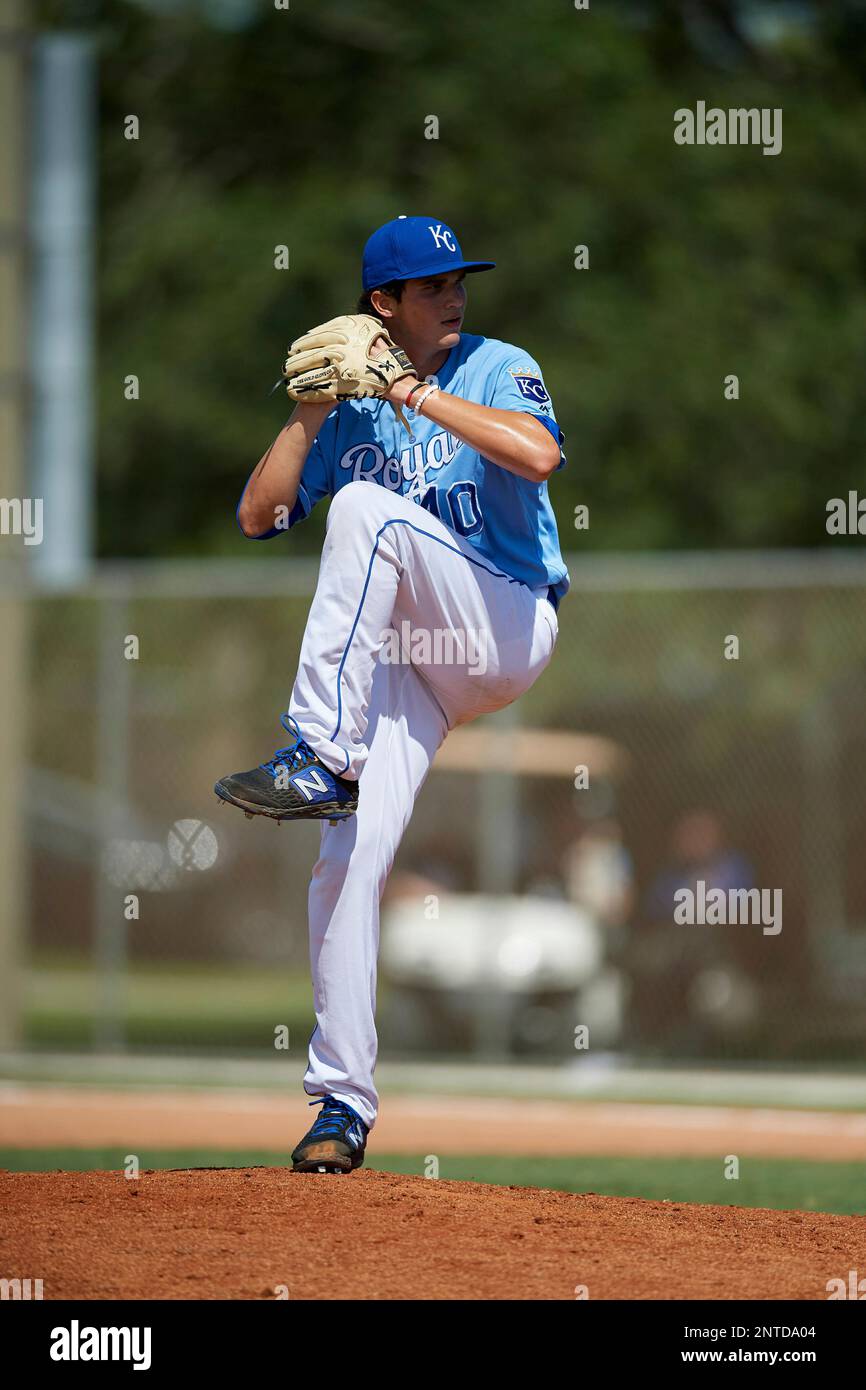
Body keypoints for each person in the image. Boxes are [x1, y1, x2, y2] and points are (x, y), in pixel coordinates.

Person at [215, 215, 569, 1172]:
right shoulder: (356, 411)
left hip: (500, 623)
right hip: (411, 665)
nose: (456, 294)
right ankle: (341, 1106)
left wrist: (412, 390)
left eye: (460, 279)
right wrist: (311, 411)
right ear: (384, 303)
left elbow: (535, 457)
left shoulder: (495, 364)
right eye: (432, 285)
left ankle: (321, 754)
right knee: (345, 863)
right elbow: (259, 515)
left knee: (369, 512)